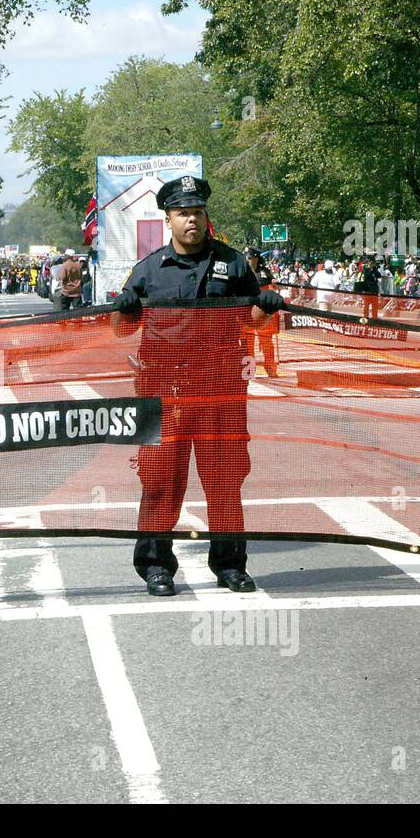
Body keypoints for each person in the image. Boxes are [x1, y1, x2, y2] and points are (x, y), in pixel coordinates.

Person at [111, 175, 285, 597]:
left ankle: (229, 565)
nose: (192, 219)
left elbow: (253, 322)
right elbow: (119, 330)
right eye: (183, 213)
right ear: (168, 220)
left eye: (198, 212)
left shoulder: (236, 264)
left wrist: (266, 307)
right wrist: (125, 308)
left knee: (223, 480)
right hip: (163, 393)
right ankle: (156, 566)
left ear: (207, 217)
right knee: (160, 480)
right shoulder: (148, 270)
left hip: (220, 390)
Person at [243, 248, 281, 378]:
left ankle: (270, 368)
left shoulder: (264, 272)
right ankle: (249, 370)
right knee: (247, 343)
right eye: (246, 258)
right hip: (247, 311)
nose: (248, 260)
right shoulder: (242, 272)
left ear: (256, 258)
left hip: (263, 312)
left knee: (266, 342)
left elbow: (275, 286)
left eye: (250, 258)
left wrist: (275, 284)